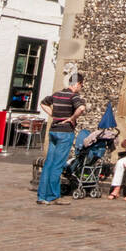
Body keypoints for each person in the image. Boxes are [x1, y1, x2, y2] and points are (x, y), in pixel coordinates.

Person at [37, 73, 86, 204]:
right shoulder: (73, 96)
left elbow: (43, 103)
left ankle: (42, 196)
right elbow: (81, 108)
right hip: (65, 133)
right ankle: (53, 196)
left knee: (48, 164)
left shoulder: (57, 94)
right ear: (77, 84)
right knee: (57, 165)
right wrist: (72, 118)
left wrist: (53, 115)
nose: (80, 88)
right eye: (81, 85)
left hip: (53, 131)